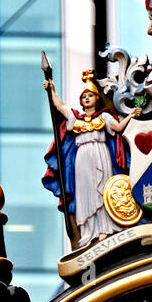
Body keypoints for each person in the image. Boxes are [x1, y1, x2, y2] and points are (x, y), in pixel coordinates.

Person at [42, 70, 139, 245]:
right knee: (84, 191)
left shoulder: (104, 116)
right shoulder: (75, 118)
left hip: (100, 153)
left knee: (102, 189)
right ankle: (88, 231)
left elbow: (118, 128)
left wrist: (130, 115)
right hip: (82, 158)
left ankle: (105, 228)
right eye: (84, 96)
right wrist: (52, 91)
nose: (87, 98)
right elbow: (60, 106)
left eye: (90, 95)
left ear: (96, 98)